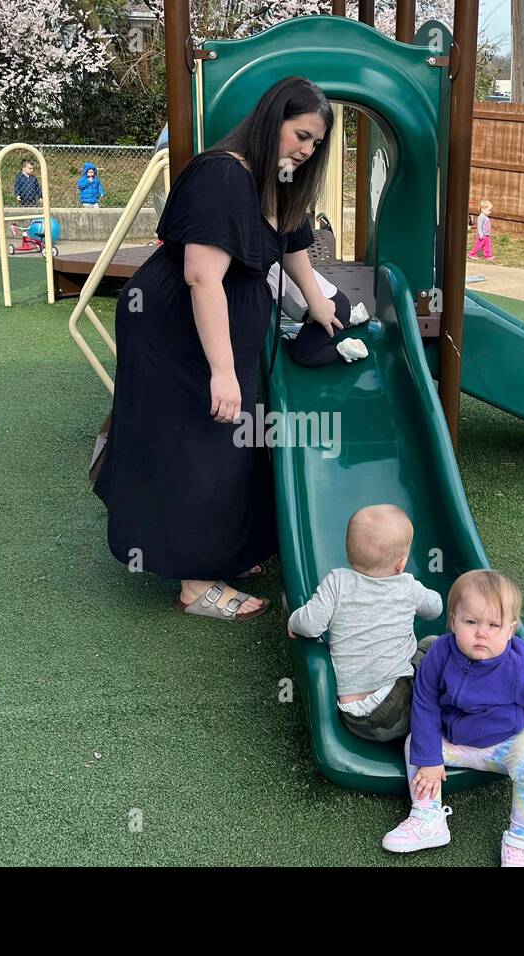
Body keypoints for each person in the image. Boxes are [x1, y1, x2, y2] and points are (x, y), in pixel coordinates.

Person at [93, 77, 339, 622]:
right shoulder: (223, 174)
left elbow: (292, 241)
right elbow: (203, 277)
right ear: (272, 120)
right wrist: (223, 371)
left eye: (315, 144)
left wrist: (319, 303)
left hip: (214, 326)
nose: (306, 150)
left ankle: (221, 548)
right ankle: (195, 582)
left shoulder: (275, 177)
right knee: (200, 445)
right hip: (177, 328)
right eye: (301, 135)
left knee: (227, 444)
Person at [382, 569, 524, 867]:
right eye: (471, 622)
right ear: (453, 622)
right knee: (416, 744)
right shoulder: (440, 653)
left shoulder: (522, 665)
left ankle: (520, 840)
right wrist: (431, 760)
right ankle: (427, 817)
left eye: (493, 625)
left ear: (511, 630)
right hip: (456, 738)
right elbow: (424, 703)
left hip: (509, 739)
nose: (481, 633)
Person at [287, 506, 442, 741]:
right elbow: (435, 608)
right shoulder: (407, 585)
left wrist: (293, 620)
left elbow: (310, 624)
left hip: (357, 719)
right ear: (401, 564)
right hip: (400, 706)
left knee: (421, 653)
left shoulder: (337, 582)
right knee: (434, 645)